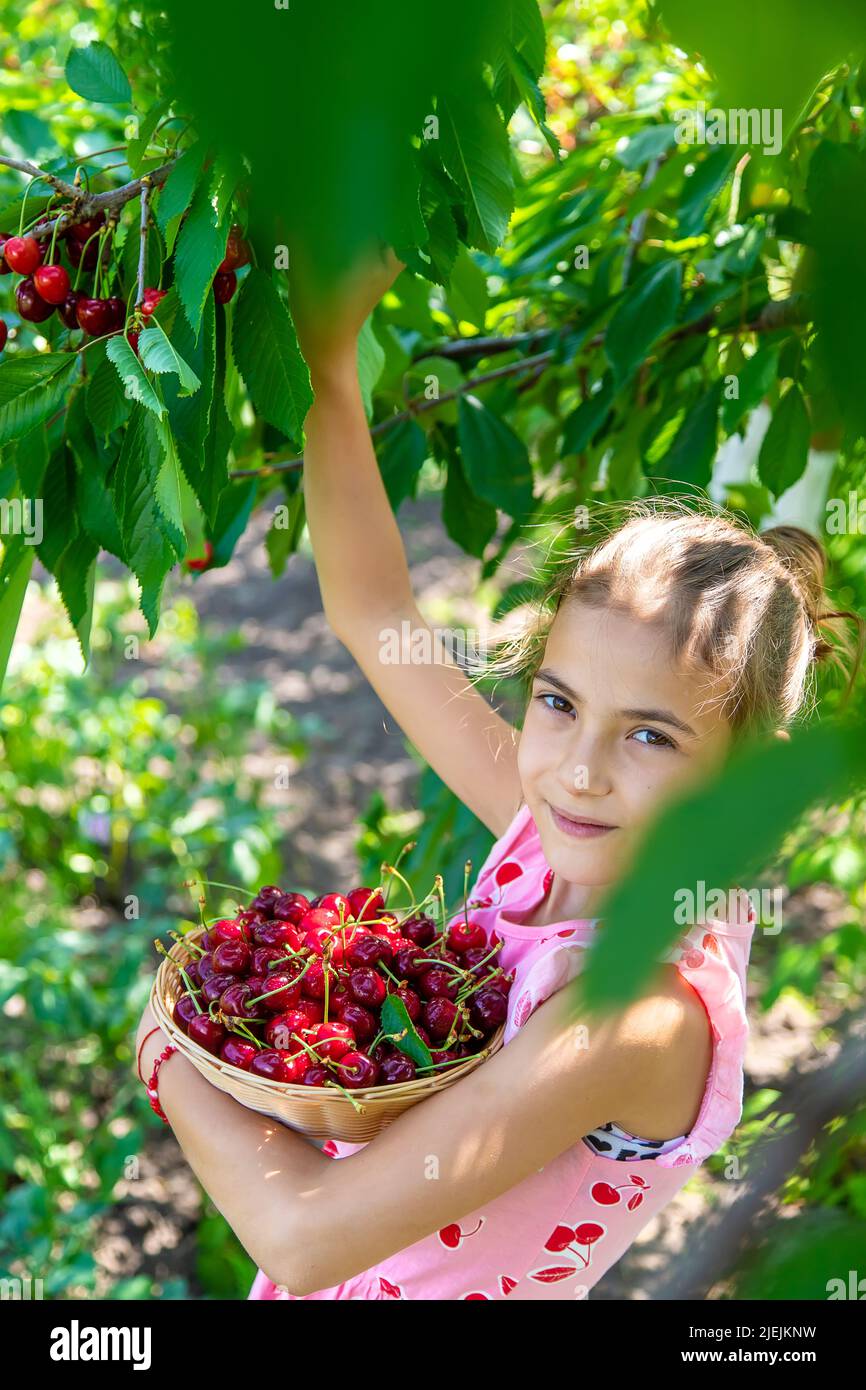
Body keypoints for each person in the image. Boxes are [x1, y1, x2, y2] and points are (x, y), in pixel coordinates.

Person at [135, 248, 862, 1300]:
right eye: (558, 703)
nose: (579, 769)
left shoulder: (637, 1008)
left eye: (650, 736)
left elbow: (301, 1237)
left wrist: (168, 1047)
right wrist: (330, 366)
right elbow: (375, 613)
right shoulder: (551, 831)